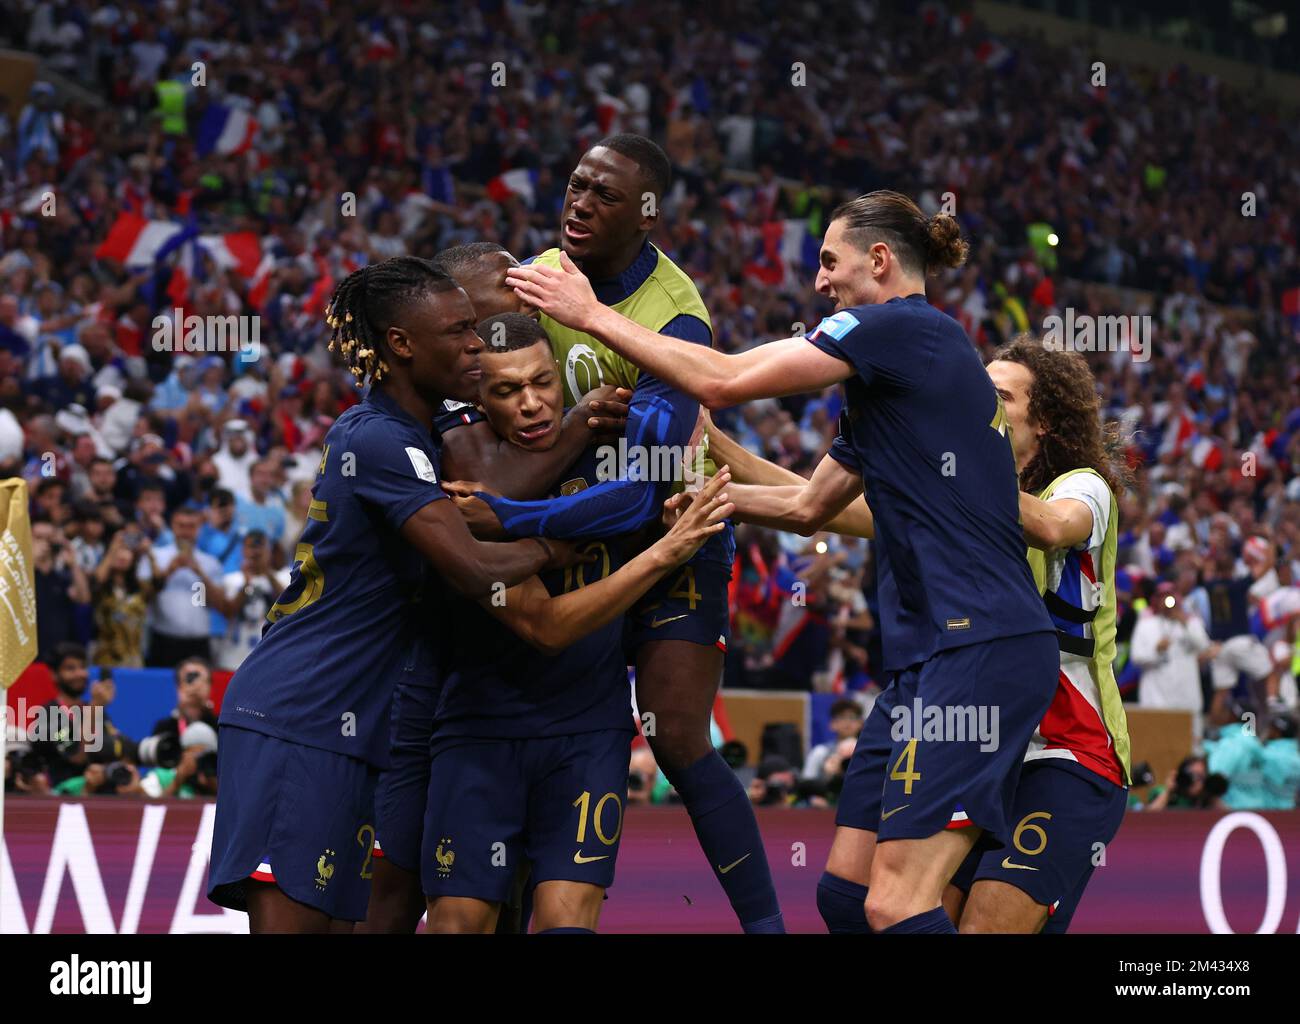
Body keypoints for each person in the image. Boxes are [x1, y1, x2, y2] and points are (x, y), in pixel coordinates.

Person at [512, 189, 1059, 934]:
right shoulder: (889, 385)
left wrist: (592, 314)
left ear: (879, 259)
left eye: (830, 263)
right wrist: (710, 499)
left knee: (898, 903)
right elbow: (809, 509)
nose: (819, 283)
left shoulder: (899, 329)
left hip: (981, 643)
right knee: (844, 896)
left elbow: (722, 380)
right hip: (932, 657)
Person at [206, 256, 618, 935]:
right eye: (458, 332)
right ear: (402, 344)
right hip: (300, 717)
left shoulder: (415, 438)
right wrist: (556, 540)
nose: (474, 345)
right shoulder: (376, 439)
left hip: (349, 726)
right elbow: (472, 568)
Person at [457, 135, 787, 933]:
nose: (578, 203)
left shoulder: (679, 315)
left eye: (603, 195)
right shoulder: (532, 280)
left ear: (645, 215)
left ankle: (768, 927)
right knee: (553, 716)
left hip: (671, 525)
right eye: (575, 185)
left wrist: (509, 515)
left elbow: (643, 491)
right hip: (573, 528)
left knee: (675, 735)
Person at [421, 314, 735, 933]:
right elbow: (546, 626)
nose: (533, 404)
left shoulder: (611, 449)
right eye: (508, 392)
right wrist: (656, 554)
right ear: (478, 399)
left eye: (542, 382)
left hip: (588, 732)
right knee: (458, 924)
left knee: (567, 924)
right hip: (478, 730)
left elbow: (670, 484)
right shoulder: (460, 480)